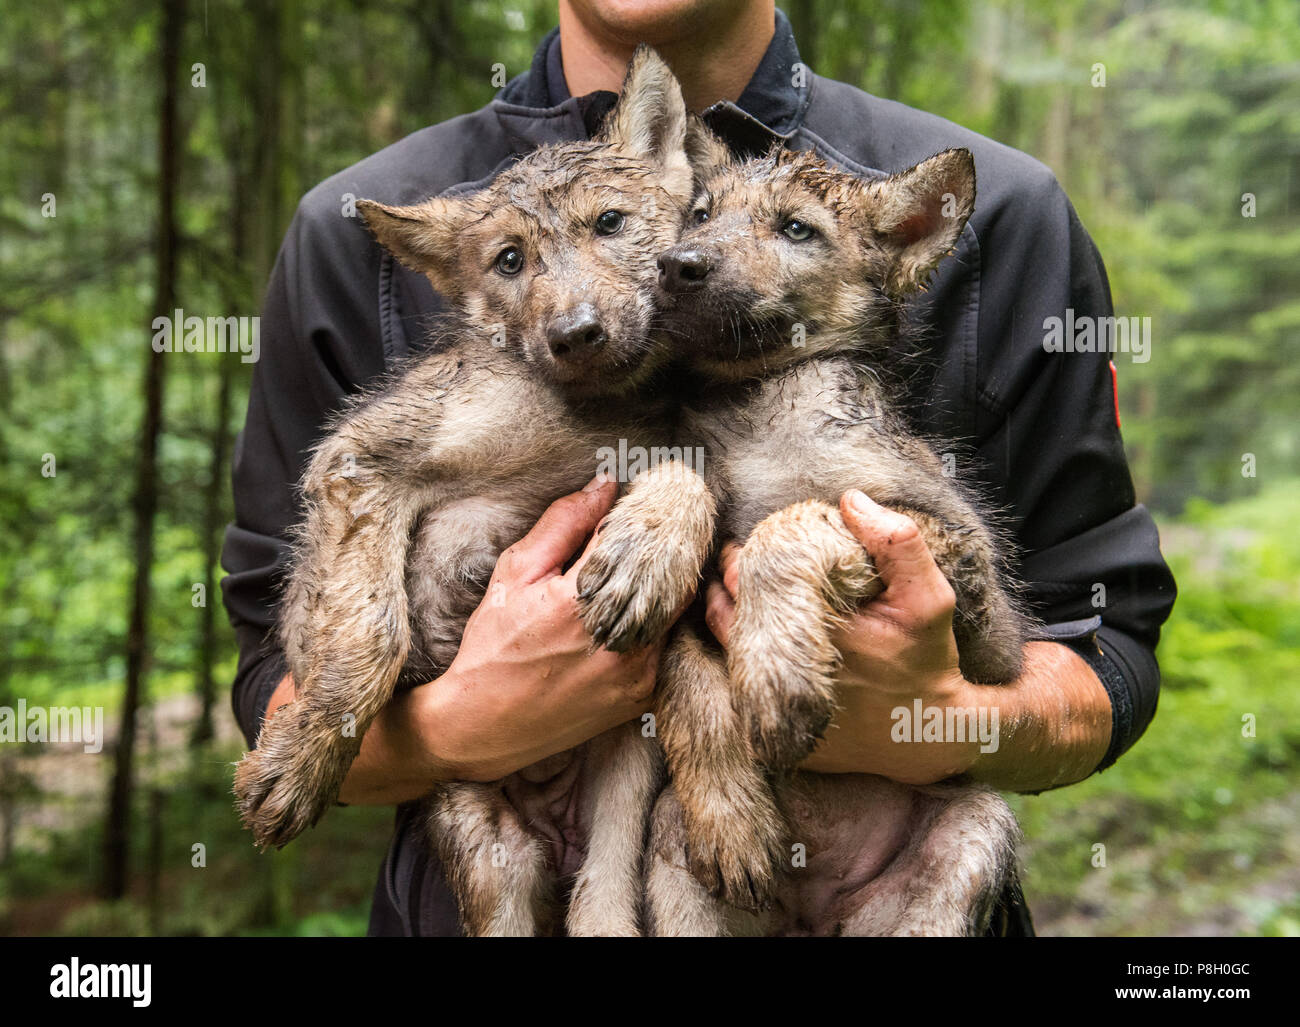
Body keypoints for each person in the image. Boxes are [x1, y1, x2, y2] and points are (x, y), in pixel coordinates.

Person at [220, 1, 1177, 936]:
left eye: (614, 230)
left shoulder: (1005, 215)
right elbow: (275, 678)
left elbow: (1106, 647)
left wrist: (937, 721)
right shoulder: (356, 230)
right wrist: (464, 724)